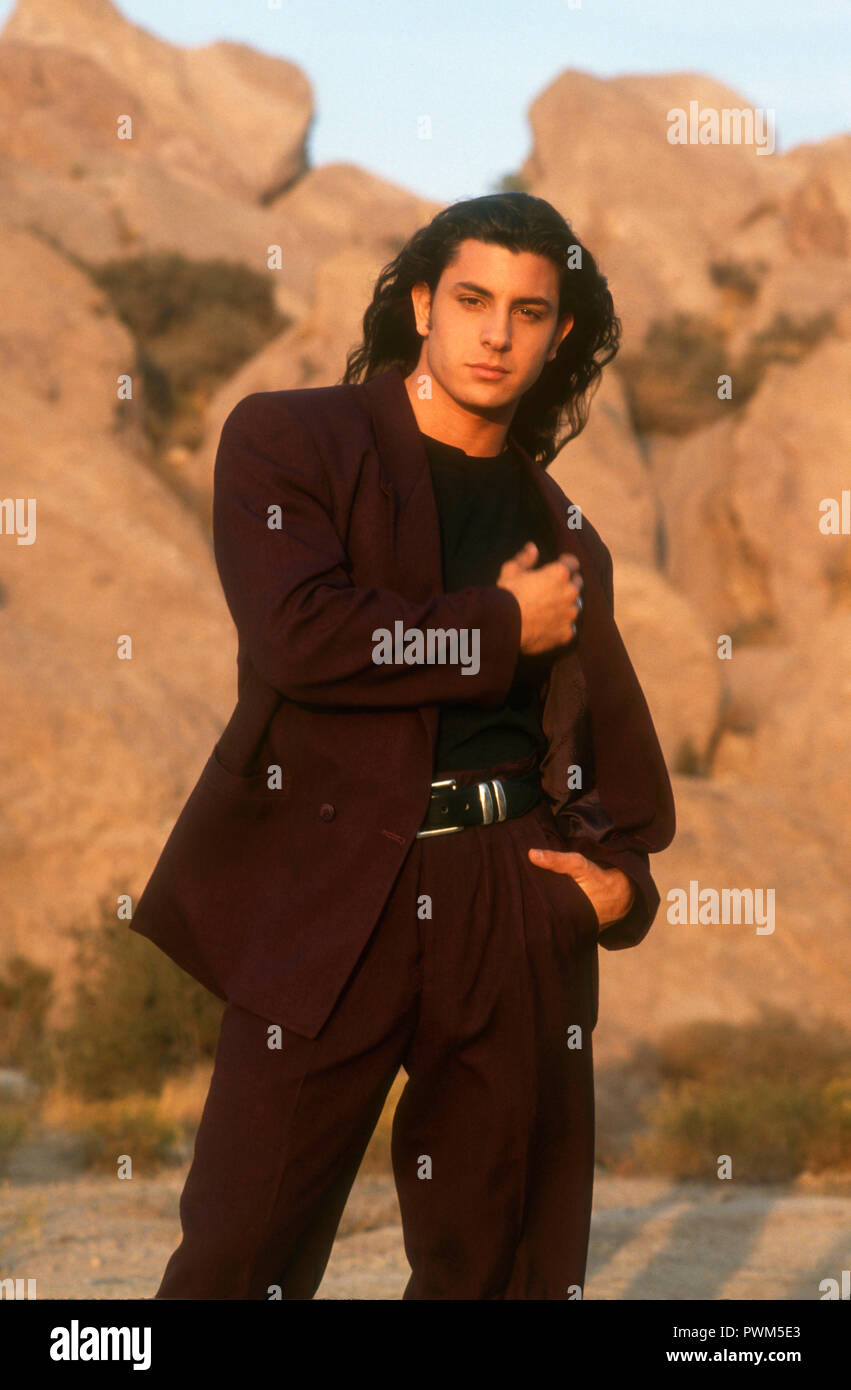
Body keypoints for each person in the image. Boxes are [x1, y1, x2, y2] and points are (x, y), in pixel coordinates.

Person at [130, 191, 676, 1299]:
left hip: (508, 889)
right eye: (471, 299)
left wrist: (621, 882)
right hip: (331, 885)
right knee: (241, 1245)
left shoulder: (564, 532)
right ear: (422, 301)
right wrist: (495, 625)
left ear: (557, 334)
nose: (495, 334)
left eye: (529, 312)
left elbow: (599, 732)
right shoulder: (289, 441)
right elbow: (300, 636)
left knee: (498, 1256)